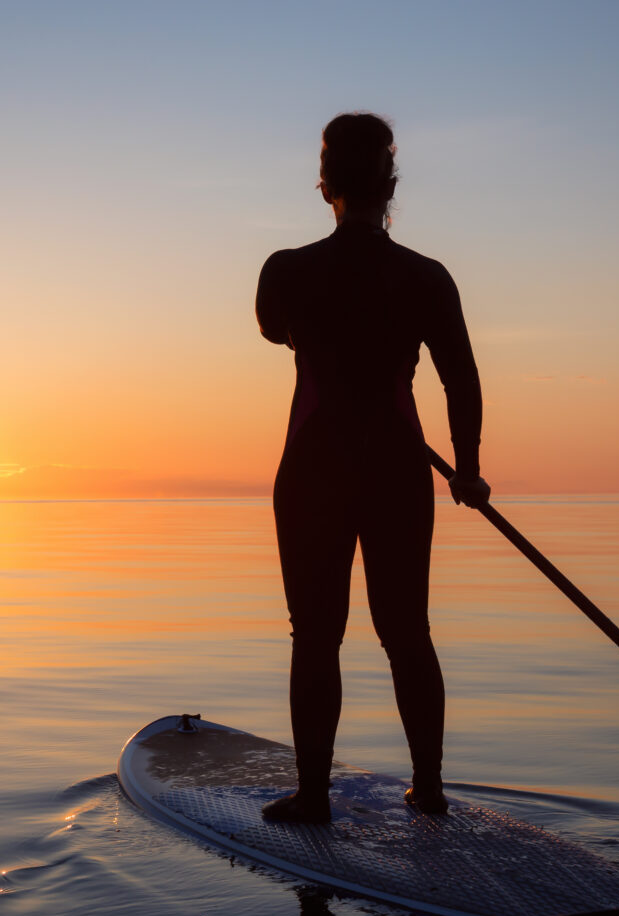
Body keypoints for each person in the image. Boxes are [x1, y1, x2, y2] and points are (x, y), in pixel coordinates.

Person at [255, 112, 490, 824]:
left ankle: (315, 797)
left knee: (316, 635)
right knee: (407, 632)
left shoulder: (286, 271)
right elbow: (462, 382)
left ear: (324, 183)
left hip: (315, 471)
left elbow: (275, 328)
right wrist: (468, 469)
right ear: (391, 186)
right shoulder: (425, 277)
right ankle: (431, 790)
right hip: (396, 469)